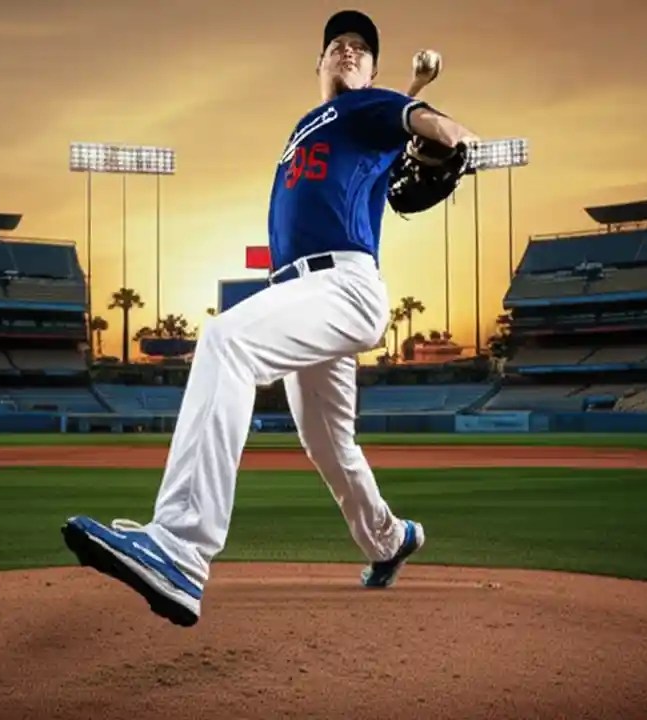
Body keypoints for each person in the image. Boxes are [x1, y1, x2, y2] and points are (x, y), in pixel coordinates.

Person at [62, 9, 480, 627]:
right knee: (327, 442)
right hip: (309, 295)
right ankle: (390, 539)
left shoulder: (366, 108)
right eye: (337, 43)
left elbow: (428, 124)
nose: (347, 50)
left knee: (226, 340)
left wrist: (453, 135)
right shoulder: (321, 123)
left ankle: (181, 547)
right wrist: (406, 115)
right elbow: (385, 151)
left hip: (343, 286)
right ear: (317, 63)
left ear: (372, 71)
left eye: (361, 48)